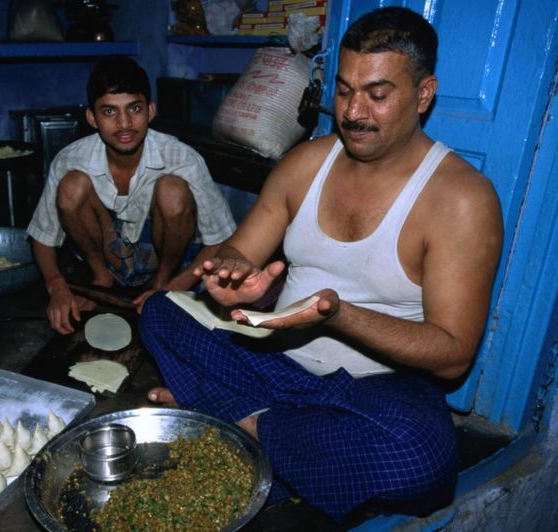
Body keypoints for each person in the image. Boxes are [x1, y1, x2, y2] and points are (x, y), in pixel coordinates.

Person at [139, 6, 503, 522]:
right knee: (159, 313)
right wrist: (230, 277)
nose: (353, 112)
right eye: (345, 89)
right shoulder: (306, 162)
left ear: (424, 94)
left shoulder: (460, 199)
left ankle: (240, 423)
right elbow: (237, 252)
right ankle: (272, 430)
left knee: (420, 457)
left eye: (377, 95)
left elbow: (452, 356)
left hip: (369, 390)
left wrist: (336, 314)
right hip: (273, 358)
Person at [27, 56, 236, 334]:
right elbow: (42, 235)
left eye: (134, 109)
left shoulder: (183, 158)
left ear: (150, 110)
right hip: (108, 255)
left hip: (169, 261)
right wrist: (56, 288)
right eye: (109, 112)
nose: (124, 124)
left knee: (172, 189)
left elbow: (221, 239)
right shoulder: (70, 158)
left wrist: (174, 288)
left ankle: (160, 283)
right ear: (92, 118)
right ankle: (101, 278)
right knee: (71, 186)